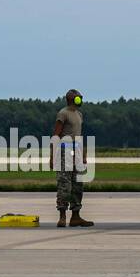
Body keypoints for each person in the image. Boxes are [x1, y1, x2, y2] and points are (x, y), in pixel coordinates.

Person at [51, 89, 93, 228]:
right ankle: (62, 216)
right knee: (65, 184)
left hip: (77, 151)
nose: (80, 99)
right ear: (72, 99)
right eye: (78, 97)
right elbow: (56, 135)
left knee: (77, 184)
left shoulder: (79, 114)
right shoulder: (63, 113)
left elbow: (79, 135)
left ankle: (75, 216)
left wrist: (84, 154)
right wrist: (52, 156)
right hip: (64, 150)